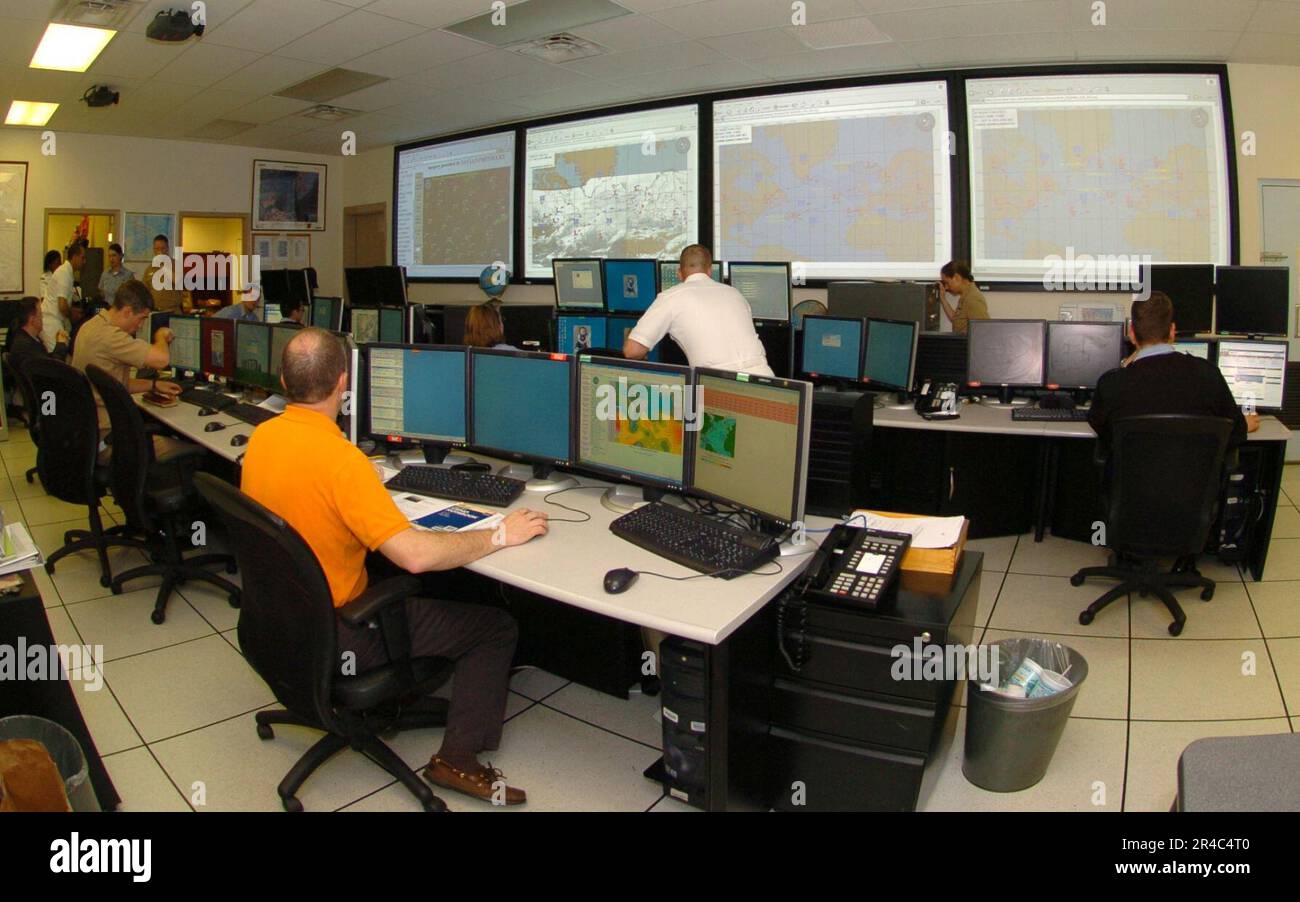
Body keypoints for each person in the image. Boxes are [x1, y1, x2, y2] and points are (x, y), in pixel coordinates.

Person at [240, 328, 548, 805]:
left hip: (278, 622)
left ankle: (403, 700)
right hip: (343, 633)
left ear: (282, 379)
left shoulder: (263, 437)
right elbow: (416, 556)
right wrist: (499, 534)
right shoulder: (343, 462)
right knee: (496, 627)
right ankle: (456, 760)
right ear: (344, 382)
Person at [1089, 291, 1259, 451]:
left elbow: (1104, 433)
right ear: (1172, 331)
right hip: (1194, 481)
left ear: (1132, 333)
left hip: (1130, 481)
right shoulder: (1208, 375)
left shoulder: (1111, 384)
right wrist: (1244, 425)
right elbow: (1234, 432)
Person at [71, 280, 186, 458]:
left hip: (91, 434)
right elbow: (161, 360)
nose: (140, 326)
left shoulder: (91, 326)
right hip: (111, 439)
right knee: (192, 447)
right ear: (127, 312)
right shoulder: (111, 337)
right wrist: (161, 336)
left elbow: (115, 384)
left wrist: (154, 385)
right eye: (141, 319)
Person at [623, 245, 773, 375]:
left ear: (679, 273)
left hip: (718, 383)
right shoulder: (735, 293)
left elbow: (632, 351)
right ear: (709, 271)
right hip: (765, 379)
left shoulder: (671, 297)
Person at [8, 297, 69, 374]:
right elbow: (53, 370)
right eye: (40, 315)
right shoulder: (26, 346)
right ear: (32, 320)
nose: (42, 318)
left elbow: (46, 361)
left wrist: (58, 343)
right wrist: (61, 344)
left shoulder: (26, 338)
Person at [43, 243, 81, 353]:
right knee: (58, 359)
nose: (84, 261)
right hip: (51, 322)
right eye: (82, 258)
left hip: (57, 320)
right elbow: (62, 305)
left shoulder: (67, 273)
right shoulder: (64, 273)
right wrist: (72, 314)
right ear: (74, 257)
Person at [938, 260, 989, 335]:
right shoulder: (966, 295)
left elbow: (983, 330)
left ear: (957, 278)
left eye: (947, 282)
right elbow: (956, 320)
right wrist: (943, 298)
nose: (946, 287)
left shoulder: (972, 299)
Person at [144, 234, 190, 314]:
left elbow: (179, 281)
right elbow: (145, 291)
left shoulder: (176, 265)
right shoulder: (149, 269)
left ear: (167, 249)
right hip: (155, 312)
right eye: (157, 249)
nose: (159, 251)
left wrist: (162, 266)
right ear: (153, 250)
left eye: (162, 248)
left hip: (173, 311)